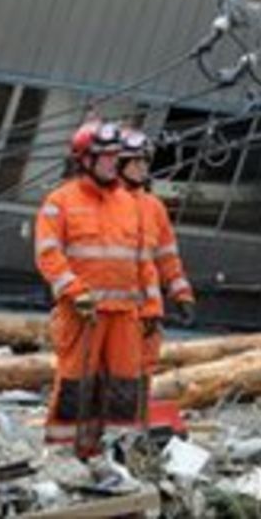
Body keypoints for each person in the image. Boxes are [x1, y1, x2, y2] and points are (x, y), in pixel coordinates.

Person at [34, 120, 156, 458]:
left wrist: (150, 308)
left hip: (124, 316)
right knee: (76, 385)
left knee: (123, 388)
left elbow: (141, 259)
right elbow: (48, 254)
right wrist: (75, 292)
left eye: (115, 156)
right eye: (104, 156)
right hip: (82, 313)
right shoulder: (60, 202)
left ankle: (117, 454)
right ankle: (62, 453)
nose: (111, 162)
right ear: (84, 159)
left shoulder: (129, 203)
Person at [116, 128, 196, 388]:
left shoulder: (153, 207)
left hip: (147, 310)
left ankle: (129, 421)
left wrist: (182, 294)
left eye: (145, 161)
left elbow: (167, 257)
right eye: (136, 161)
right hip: (109, 308)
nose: (143, 168)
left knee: (143, 369)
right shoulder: (100, 202)